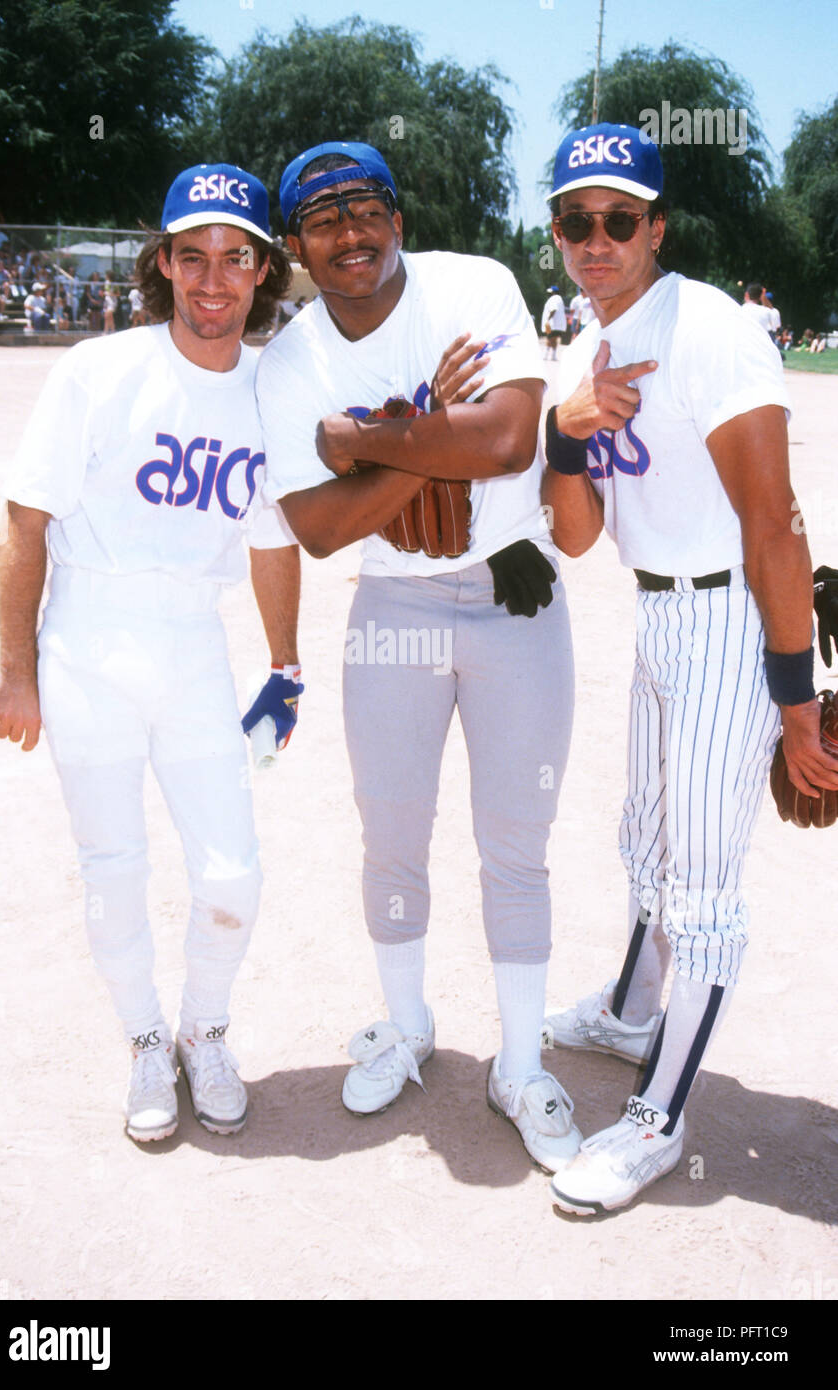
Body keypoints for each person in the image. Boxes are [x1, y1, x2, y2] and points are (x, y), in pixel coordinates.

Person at [252, 140, 581, 1173]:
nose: (350, 232)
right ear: (297, 245)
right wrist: (426, 431)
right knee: (391, 833)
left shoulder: (471, 282)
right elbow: (315, 525)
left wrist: (370, 441)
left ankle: (520, 1064)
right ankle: (406, 1024)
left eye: (366, 207)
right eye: (324, 217)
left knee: (515, 844)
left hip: (511, 595)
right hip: (392, 603)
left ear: (397, 215)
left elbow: (508, 443)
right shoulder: (292, 355)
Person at [539, 121, 838, 1215]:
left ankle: (657, 1123)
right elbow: (575, 538)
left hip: (728, 624)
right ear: (560, 234)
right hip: (657, 616)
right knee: (646, 839)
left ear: (656, 227)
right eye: (578, 221)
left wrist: (796, 703)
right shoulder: (582, 348)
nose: (598, 239)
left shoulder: (708, 329)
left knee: (703, 892)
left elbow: (776, 529)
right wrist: (566, 434)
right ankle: (631, 1009)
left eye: (621, 219)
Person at [0, 163, 301, 1145]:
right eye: (192, 255)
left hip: (196, 647)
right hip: (85, 643)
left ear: (261, 271)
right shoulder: (99, 369)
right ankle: (144, 1042)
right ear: (163, 262)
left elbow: (272, 538)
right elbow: (23, 521)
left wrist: (284, 670)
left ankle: (206, 1031)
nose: (213, 279)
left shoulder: (270, 391)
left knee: (232, 872)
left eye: (234, 258)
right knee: (113, 868)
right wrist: (17, 671)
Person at [540, 284, 567, 359]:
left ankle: (546, 354)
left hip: (552, 324)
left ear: (553, 292)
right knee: (554, 339)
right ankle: (553, 355)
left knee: (549, 338)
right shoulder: (559, 298)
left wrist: (548, 319)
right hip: (558, 324)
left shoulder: (554, 298)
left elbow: (553, 309)